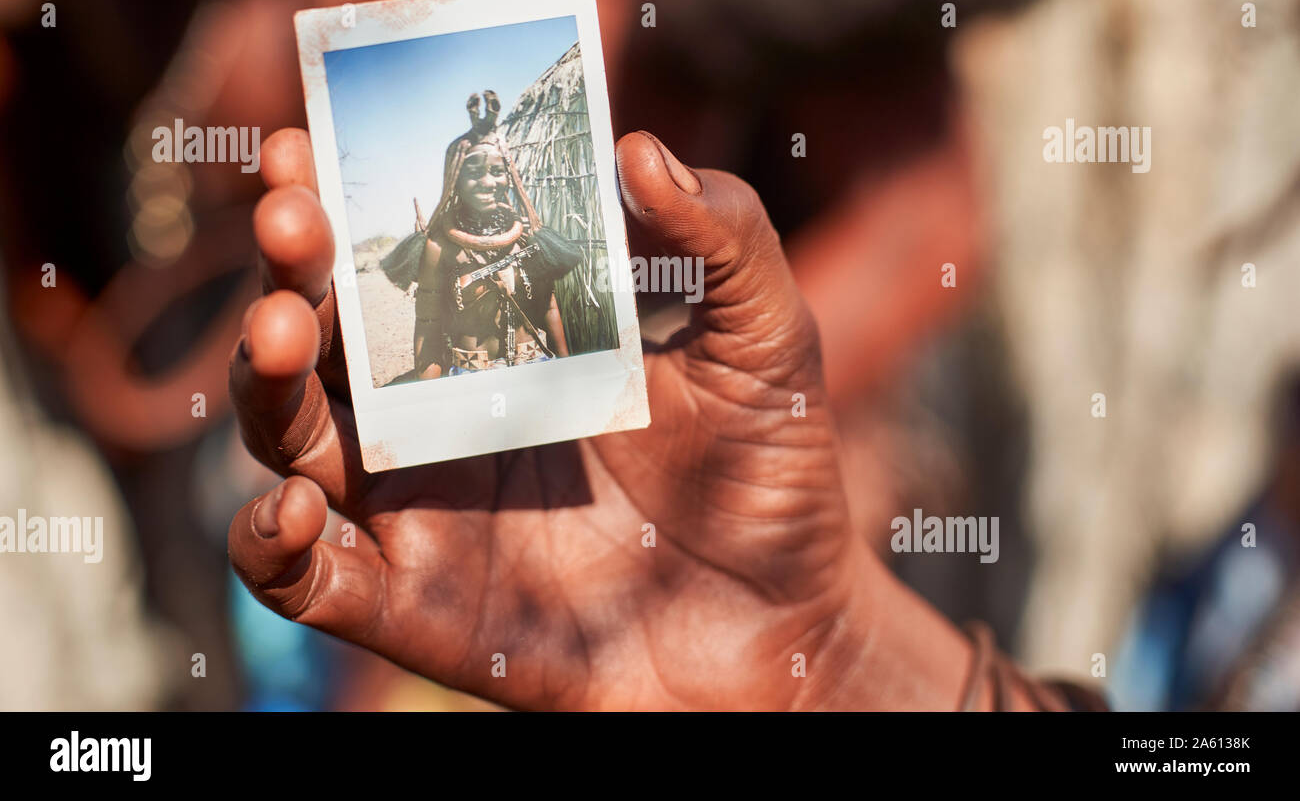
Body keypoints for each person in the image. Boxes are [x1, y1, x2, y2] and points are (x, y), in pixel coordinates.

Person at [228, 127, 1105, 711]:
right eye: (478, 175)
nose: (493, 184)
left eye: (503, 173)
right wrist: (836, 656)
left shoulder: (539, 241)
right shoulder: (434, 251)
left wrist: (833, 658)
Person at [408, 91, 571, 379]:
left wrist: (569, 370)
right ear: (454, 180)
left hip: (536, 368)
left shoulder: (528, 236)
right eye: (473, 173)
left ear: (509, 176)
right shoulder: (439, 248)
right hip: (471, 376)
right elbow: (428, 325)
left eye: (497, 171)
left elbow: (549, 306)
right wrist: (430, 397)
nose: (487, 182)